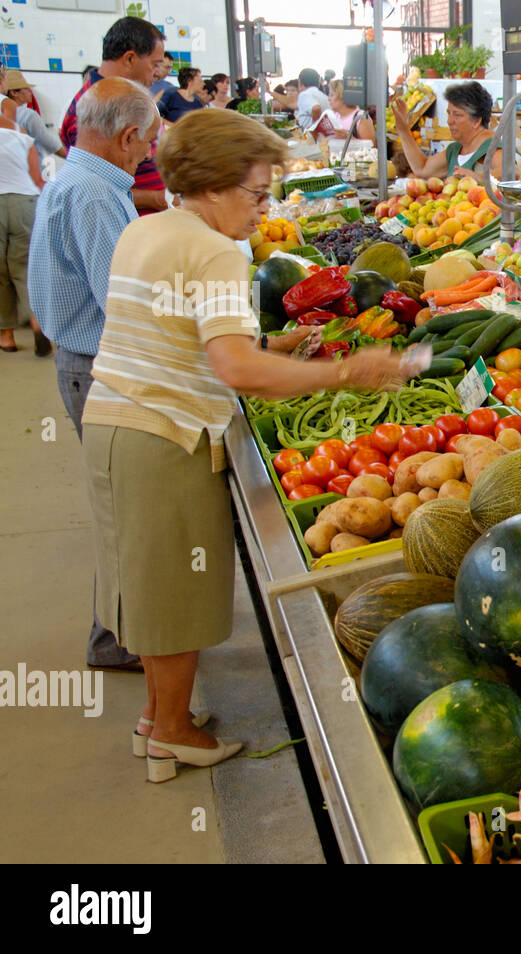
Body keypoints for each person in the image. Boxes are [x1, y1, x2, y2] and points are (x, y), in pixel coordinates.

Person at [79, 108, 414, 781]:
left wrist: (269, 343)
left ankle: (158, 718)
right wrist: (349, 370)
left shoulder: (151, 229)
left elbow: (189, 334)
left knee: (146, 584)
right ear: (212, 183)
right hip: (164, 435)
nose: (265, 210)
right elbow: (238, 373)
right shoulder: (213, 250)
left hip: (116, 423)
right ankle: (172, 731)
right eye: (257, 194)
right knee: (173, 593)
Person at [29, 78, 159, 669]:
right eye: (148, 142)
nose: (149, 154)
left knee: (122, 510)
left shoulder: (80, 180)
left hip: (84, 363)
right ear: (128, 134)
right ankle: (115, 641)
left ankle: (124, 630)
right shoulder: (94, 196)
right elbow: (125, 303)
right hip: (97, 369)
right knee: (125, 515)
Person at [61, 16, 167, 215]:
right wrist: (156, 198)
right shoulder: (95, 108)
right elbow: (93, 192)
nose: (157, 74)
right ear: (129, 59)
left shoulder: (127, 100)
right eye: (154, 64)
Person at [392, 80, 518, 183]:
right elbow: (422, 169)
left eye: (457, 115)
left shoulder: (491, 147)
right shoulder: (456, 150)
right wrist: (403, 130)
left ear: (476, 121)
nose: (449, 121)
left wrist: (477, 177)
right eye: (449, 113)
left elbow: (511, 172)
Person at [0, 116, 45, 355]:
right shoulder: (20, 131)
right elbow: (37, 179)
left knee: (0, 273)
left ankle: (6, 336)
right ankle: (37, 322)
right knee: (26, 268)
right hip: (24, 202)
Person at [4, 71, 66, 160]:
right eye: (26, 88)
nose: (30, 92)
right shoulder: (28, 115)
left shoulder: (3, 114)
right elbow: (49, 143)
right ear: (14, 93)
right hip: (31, 168)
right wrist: (75, 160)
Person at [267, 69, 330, 139]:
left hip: (313, 139)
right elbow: (290, 103)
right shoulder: (323, 96)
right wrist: (269, 92)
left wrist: (315, 132)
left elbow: (316, 108)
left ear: (300, 82)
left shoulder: (305, 95)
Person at [324, 78, 375, 145]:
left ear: (343, 97)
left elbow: (371, 147)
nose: (329, 99)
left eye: (332, 95)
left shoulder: (361, 117)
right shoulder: (334, 116)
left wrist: (348, 138)